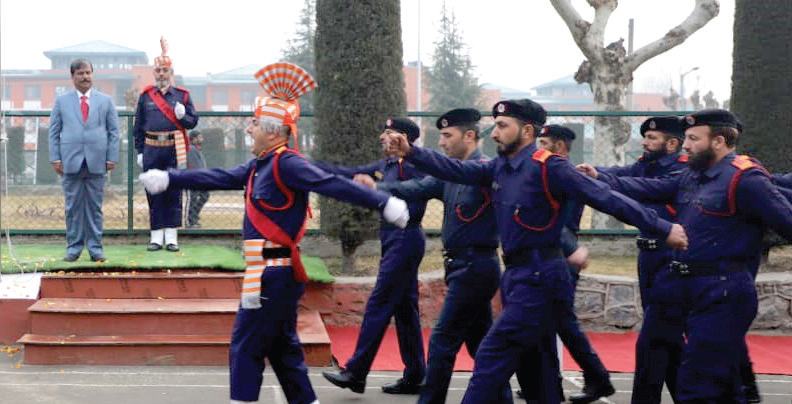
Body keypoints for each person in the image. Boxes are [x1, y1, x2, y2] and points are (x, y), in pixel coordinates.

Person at [139, 62, 410, 404]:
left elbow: (332, 184)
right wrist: (170, 178)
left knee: (246, 346)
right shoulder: (260, 165)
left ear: (272, 131)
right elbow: (219, 177)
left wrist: (382, 202)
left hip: (274, 273)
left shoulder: (287, 163)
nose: (248, 130)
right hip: (266, 272)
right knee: (283, 349)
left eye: (254, 124)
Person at [385, 98, 687, 403]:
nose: (494, 133)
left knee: (491, 355)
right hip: (517, 276)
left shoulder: (549, 167)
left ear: (527, 130)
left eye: (503, 126)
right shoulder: (499, 167)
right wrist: (412, 152)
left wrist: (662, 228)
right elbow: (451, 169)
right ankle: (591, 379)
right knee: (535, 371)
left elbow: (605, 197)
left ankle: (596, 377)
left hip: (540, 276)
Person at [577, 109, 792, 403]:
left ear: (718, 141)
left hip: (721, 290)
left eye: (693, 138)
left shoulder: (746, 178)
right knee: (653, 348)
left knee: (696, 385)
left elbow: (787, 221)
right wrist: (599, 178)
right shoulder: (693, 173)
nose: (686, 144)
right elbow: (649, 187)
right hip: (676, 282)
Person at [355, 108, 511, 404]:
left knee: (442, 342)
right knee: (481, 347)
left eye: (447, 136)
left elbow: (439, 169)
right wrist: (378, 187)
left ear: (470, 136)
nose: (442, 142)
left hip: (475, 267)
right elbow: (416, 187)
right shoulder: (451, 174)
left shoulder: (482, 170)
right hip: (460, 268)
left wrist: (412, 151)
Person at [578, 116, 688, 403]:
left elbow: (644, 188)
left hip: (670, 259)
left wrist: (601, 180)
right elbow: (623, 172)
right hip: (648, 257)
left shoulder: (681, 169)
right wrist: (593, 171)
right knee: (670, 341)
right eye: (646, 137)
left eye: (653, 138)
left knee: (652, 340)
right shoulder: (645, 164)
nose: (646, 142)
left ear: (672, 143)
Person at [320, 117, 428, 395]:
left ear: (403, 137)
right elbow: (348, 173)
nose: (382, 137)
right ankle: (416, 375)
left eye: (388, 132)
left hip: (406, 237)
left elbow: (413, 209)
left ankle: (356, 373)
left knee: (379, 304)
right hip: (392, 239)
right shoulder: (385, 166)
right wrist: (308, 168)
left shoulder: (415, 166)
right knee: (405, 311)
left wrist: (378, 191)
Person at [516, 125, 614, 404]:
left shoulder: (563, 176)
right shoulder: (545, 172)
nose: (539, 148)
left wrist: (571, 251)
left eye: (544, 142)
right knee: (550, 324)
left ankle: (597, 377)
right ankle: (555, 382)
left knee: (562, 323)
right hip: (549, 257)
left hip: (561, 258)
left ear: (560, 147)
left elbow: (559, 224)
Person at [48, 58, 120, 262]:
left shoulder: (105, 101)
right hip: (69, 163)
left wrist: (112, 157)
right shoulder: (61, 101)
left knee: (95, 207)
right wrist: (55, 158)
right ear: (73, 77)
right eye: (80, 73)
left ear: (92, 75)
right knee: (72, 207)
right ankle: (74, 248)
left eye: (88, 73)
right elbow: (53, 133)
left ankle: (96, 248)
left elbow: (114, 131)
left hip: (98, 162)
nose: (85, 77)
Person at [133, 37, 198, 252]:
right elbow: (139, 126)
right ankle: (155, 237)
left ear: (171, 72)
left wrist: (183, 115)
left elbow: (192, 122)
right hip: (151, 149)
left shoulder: (182, 96)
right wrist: (140, 150)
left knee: (173, 191)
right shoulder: (145, 96)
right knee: (153, 192)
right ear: (154, 72)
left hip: (173, 149)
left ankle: (171, 237)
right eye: (158, 70)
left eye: (165, 70)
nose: (161, 74)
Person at [185, 129, 209, 229]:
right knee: (192, 199)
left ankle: (194, 216)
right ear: (194, 139)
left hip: (200, 178)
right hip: (192, 178)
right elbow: (192, 165)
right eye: (199, 137)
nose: (201, 139)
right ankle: (190, 221)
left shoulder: (197, 149)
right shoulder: (191, 149)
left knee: (205, 195)